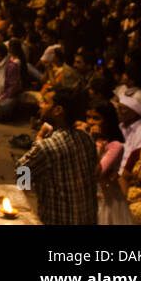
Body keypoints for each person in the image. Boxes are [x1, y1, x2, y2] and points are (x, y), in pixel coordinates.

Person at [16, 87, 99, 224]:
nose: (41, 106)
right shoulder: (87, 138)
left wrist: (39, 138)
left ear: (57, 110)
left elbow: (21, 175)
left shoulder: (46, 146)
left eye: (46, 102)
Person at [87, 102, 131, 225]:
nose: (90, 122)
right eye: (88, 117)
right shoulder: (87, 138)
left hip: (106, 197)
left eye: (96, 118)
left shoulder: (115, 146)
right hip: (86, 195)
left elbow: (97, 173)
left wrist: (92, 141)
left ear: (108, 120)